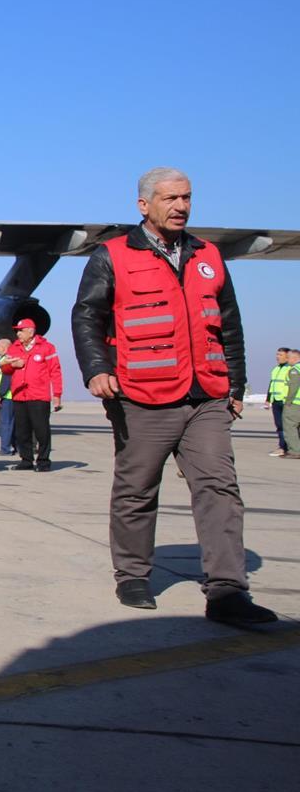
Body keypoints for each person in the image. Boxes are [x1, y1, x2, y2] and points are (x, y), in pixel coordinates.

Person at [71, 166, 274, 624]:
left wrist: (235, 387)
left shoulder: (209, 256)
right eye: (170, 198)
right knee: (137, 489)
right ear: (144, 205)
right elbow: (87, 317)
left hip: (206, 397)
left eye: (186, 197)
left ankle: (227, 591)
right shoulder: (112, 255)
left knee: (220, 488)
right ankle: (133, 575)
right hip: (143, 395)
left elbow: (229, 325)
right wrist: (97, 371)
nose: (181, 206)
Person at [0, 319, 63, 471]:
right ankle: (26, 460)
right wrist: (12, 365)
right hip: (19, 395)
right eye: (17, 331)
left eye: (21, 330)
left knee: (41, 430)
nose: (18, 333)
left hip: (39, 396)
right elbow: (5, 369)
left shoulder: (47, 348)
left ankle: (43, 461)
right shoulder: (14, 348)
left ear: (31, 331)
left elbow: (55, 371)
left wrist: (57, 394)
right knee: (22, 430)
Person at [0, 338, 17, 455]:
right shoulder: (10, 359)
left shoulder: (6, 361)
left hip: (7, 397)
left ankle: (5, 449)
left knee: (5, 423)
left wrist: (0, 396)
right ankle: (16, 447)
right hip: (12, 397)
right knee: (13, 423)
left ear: (3, 348)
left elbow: (5, 380)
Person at [268, 347, 293, 456]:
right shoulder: (276, 369)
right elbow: (272, 385)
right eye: (277, 354)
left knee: (288, 426)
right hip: (276, 401)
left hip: (287, 402)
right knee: (279, 425)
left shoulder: (291, 369)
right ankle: (282, 446)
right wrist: (268, 399)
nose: (277, 357)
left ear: (288, 357)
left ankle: (286, 447)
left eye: (280, 355)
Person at [282, 348, 300, 459]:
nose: (287, 360)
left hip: (295, 404)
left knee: (290, 427)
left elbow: (293, 387)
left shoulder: (295, 370)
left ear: (295, 358)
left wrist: (288, 402)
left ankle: (295, 451)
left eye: (288, 358)